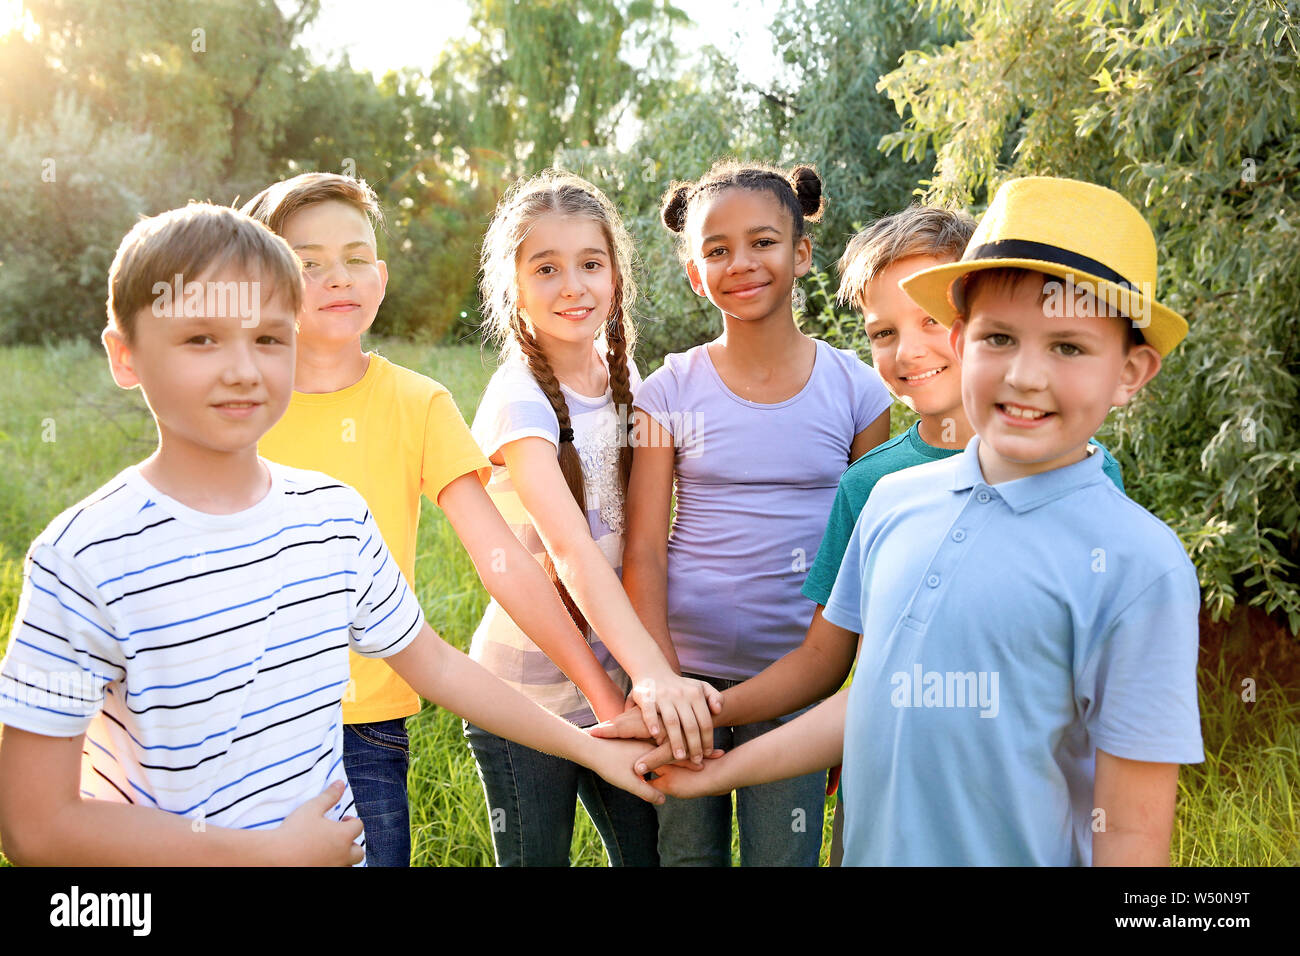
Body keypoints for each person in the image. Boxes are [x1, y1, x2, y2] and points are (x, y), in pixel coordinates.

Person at [0, 203, 662, 866]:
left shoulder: (333, 518)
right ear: (125, 356)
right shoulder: (83, 558)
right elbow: (34, 827)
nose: (241, 369)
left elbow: (434, 664)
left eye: (267, 338)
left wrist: (588, 744)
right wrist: (264, 855)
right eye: (201, 339)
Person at [648, 176, 1204, 866]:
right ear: (967, 339)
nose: (1025, 376)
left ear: (1132, 372)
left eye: (1067, 347)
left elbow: (1129, 833)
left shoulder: (1142, 567)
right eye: (999, 338)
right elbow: (875, 694)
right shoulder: (888, 503)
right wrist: (723, 768)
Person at [242, 172, 712, 866]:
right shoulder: (233, 400)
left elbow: (529, 561)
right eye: (307, 263)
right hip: (239, 716)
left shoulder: (422, 403)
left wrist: (634, 680)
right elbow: (558, 551)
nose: (336, 278)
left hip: (369, 723)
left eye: (355, 256)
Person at [620, 161, 893, 866]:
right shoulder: (666, 391)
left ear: (801, 253)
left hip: (799, 682)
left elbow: (866, 562)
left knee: (784, 858)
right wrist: (663, 682)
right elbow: (644, 548)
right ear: (693, 272)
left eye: (763, 242)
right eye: (716, 250)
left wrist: (843, 709)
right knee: (686, 858)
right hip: (685, 679)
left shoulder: (860, 393)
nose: (740, 263)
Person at [465, 170, 720, 866]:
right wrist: (649, 681)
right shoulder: (519, 403)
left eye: (590, 263)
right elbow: (571, 552)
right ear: (513, 287)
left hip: (619, 675)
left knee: (649, 855)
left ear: (615, 275)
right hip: (527, 699)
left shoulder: (623, 376)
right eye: (546, 268)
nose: (573, 286)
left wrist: (637, 679)